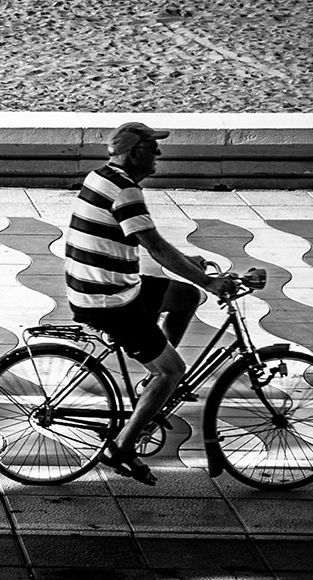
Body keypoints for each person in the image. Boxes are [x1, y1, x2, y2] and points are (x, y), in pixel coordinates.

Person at [64, 120, 235, 484]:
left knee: (186, 296)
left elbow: (152, 244)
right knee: (173, 371)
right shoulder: (125, 191)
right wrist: (210, 281)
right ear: (134, 152)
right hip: (109, 299)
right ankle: (123, 447)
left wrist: (190, 270)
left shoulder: (102, 176)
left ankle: (152, 387)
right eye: (151, 146)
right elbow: (155, 247)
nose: (158, 153)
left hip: (109, 285)